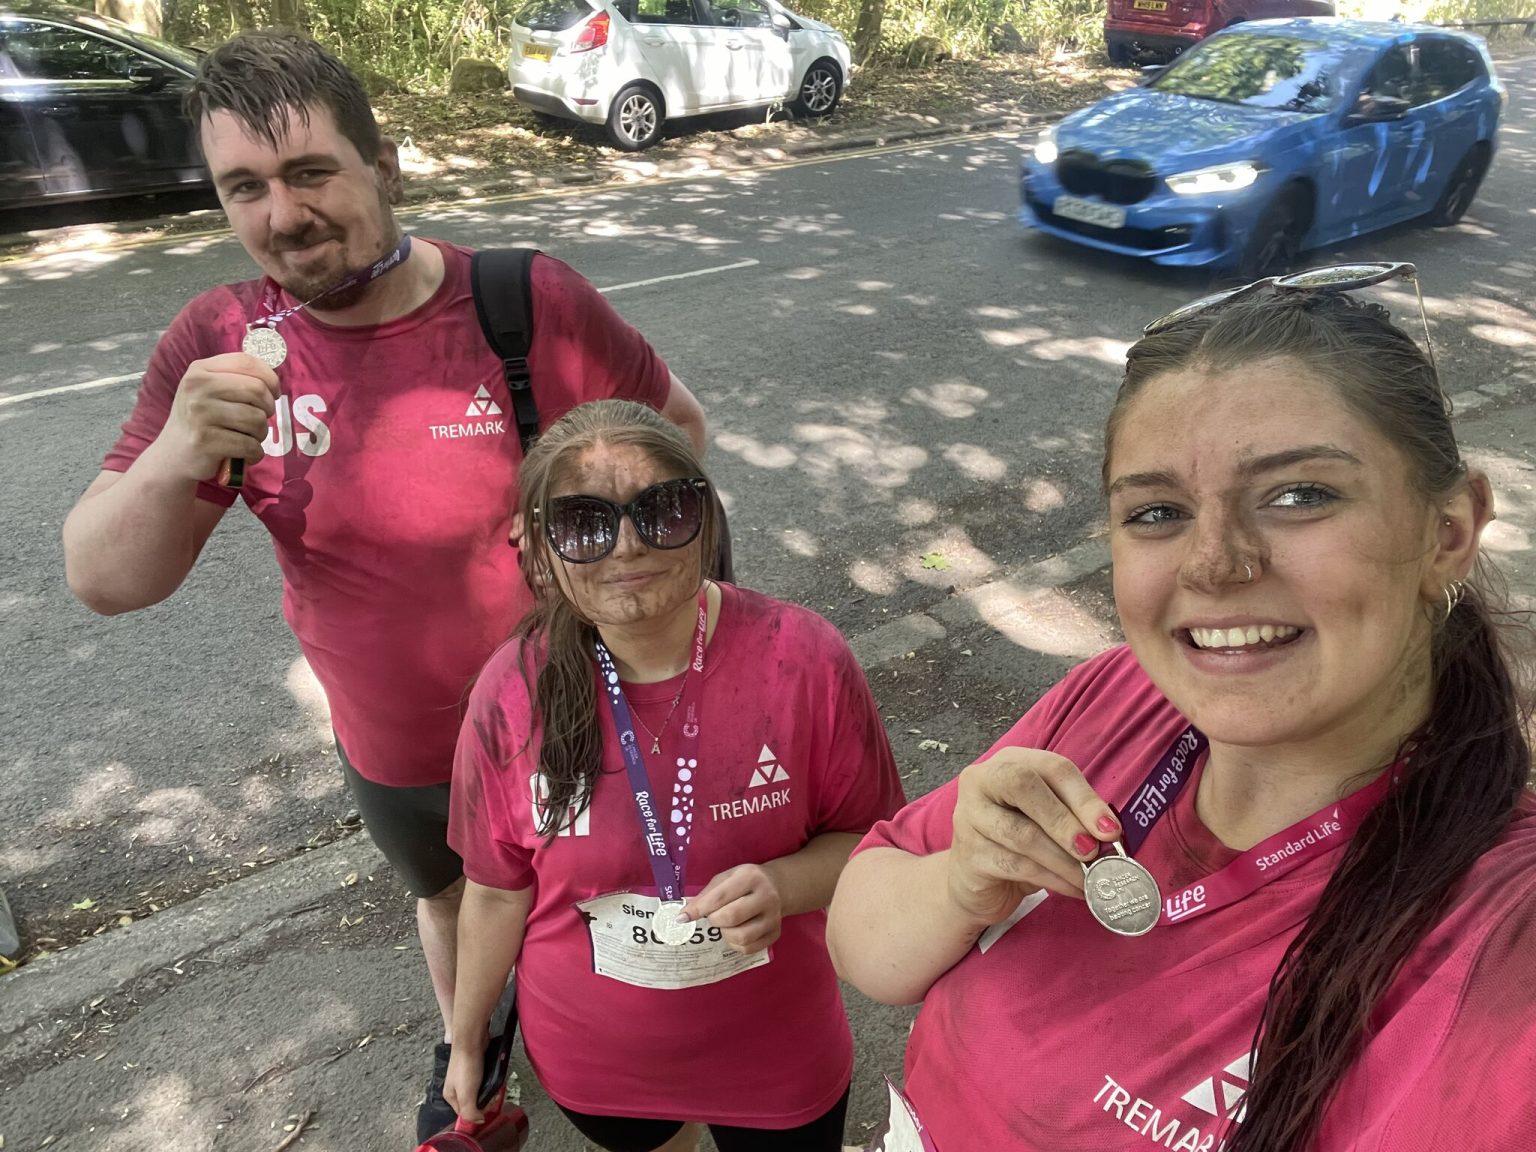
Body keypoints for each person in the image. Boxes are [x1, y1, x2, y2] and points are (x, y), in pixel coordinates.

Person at [59, 31, 709, 1140]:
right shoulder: (219, 345)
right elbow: (104, 579)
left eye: (311, 172)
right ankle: (475, 1061)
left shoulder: (522, 301)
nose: (283, 215)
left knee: (604, 914)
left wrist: (588, 526)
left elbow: (680, 440)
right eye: (245, 188)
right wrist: (177, 452)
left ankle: (652, 1095)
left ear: (385, 167)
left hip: (573, 720)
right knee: (449, 900)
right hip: (398, 756)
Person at [827, 266, 1536, 1151]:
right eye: (1158, 511)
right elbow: (864, 945)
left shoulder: (1498, 945)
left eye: (1300, 495)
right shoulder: (1121, 695)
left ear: (1448, 530)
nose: (1214, 564)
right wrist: (961, 883)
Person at [443, 399, 906, 1152]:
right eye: (584, 524)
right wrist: (465, 1046)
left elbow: (876, 842)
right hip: (599, 1065)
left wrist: (784, 885)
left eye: (663, 510)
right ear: (541, 548)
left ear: (707, 520)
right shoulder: (512, 691)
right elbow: (496, 893)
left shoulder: (803, 659)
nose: (627, 544)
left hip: (777, 1056)